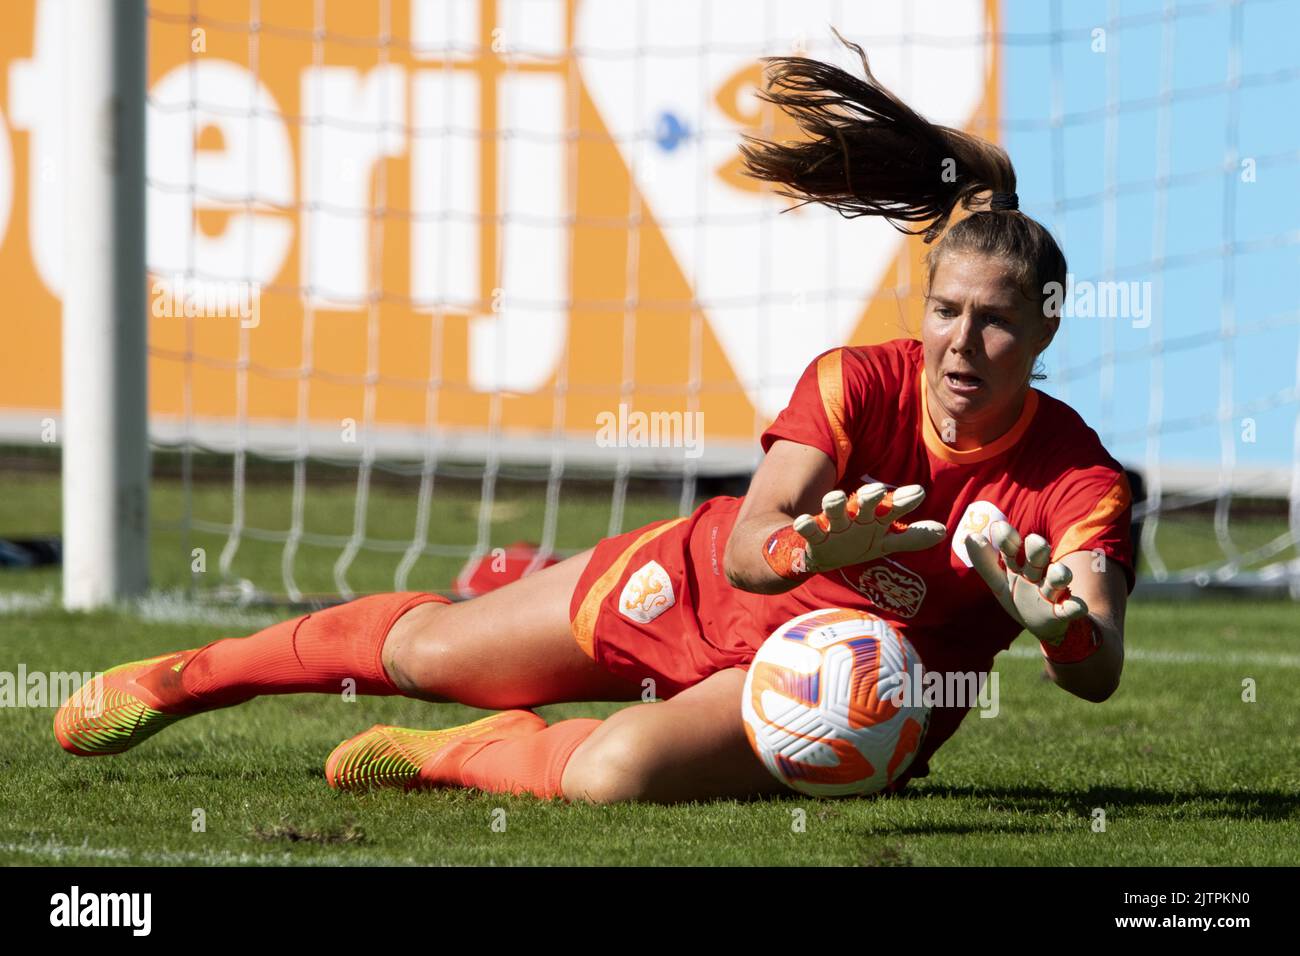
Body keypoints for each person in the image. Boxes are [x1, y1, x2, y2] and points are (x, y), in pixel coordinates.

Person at [54, 32, 1134, 805]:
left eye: (994, 324)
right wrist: (813, 543)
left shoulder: (1080, 479)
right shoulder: (857, 381)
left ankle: (457, 757)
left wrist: (1061, 630)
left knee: (616, 772)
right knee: (431, 650)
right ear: (923, 308)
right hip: (706, 581)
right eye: (946, 310)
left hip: (839, 686)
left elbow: (1095, 660)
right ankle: (187, 677)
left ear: (1043, 335)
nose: (961, 341)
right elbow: (761, 541)